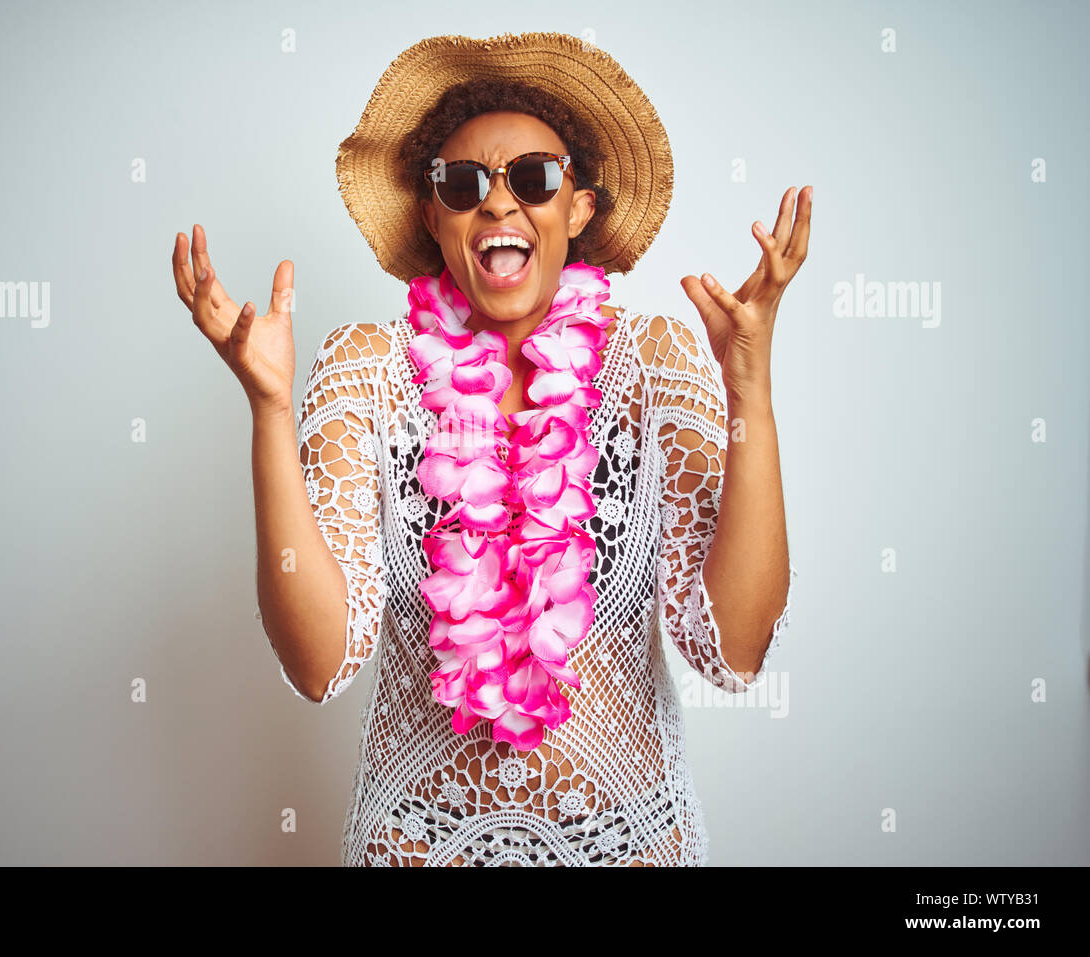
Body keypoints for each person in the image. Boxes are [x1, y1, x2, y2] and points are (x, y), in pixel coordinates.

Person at [170, 32, 806, 866]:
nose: (499, 205)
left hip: (631, 843)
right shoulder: (370, 369)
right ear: (433, 217)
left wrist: (749, 388)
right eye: (464, 185)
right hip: (417, 846)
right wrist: (269, 406)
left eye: (534, 178)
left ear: (577, 207)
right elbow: (320, 662)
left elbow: (733, 651)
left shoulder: (650, 362)